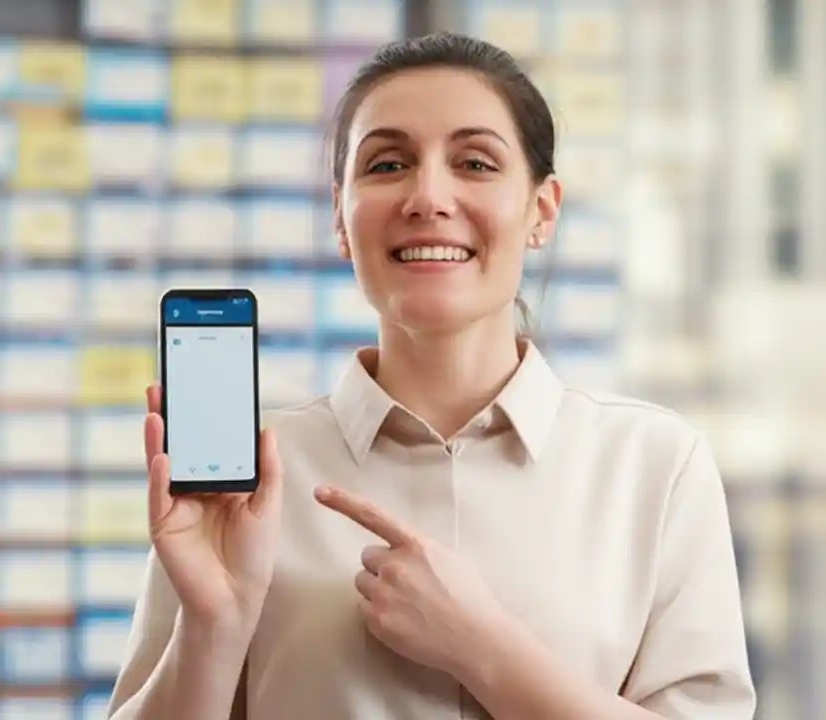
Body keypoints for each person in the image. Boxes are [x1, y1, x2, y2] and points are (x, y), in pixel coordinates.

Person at [108, 32, 756, 720]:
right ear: (340, 217)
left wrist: (485, 649)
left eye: (475, 162)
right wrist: (211, 625)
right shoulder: (252, 480)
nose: (427, 196)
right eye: (388, 164)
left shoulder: (652, 465)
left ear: (542, 210)